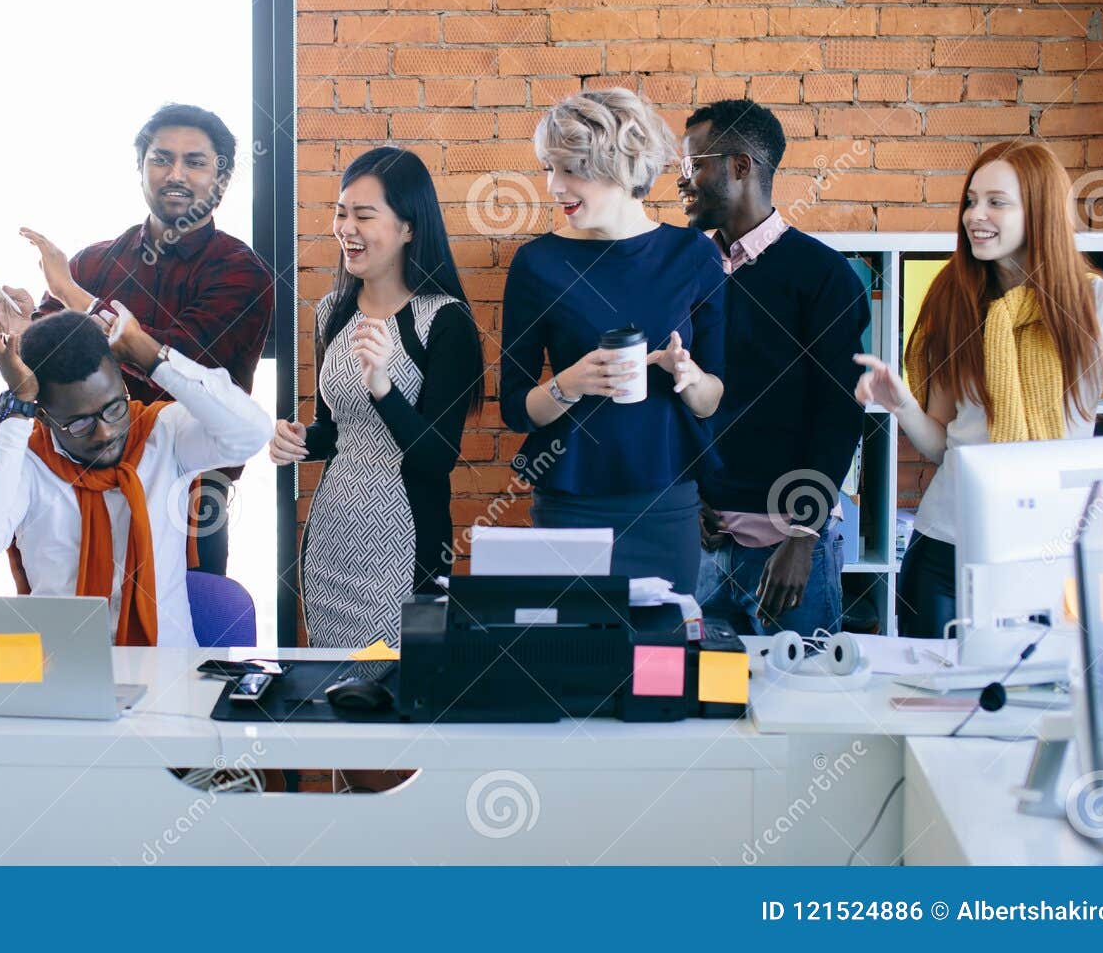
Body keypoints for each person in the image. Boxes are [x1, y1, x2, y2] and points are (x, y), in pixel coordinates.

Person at [855, 139, 1103, 638]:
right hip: (945, 553)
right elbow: (943, 447)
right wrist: (902, 403)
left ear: (1038, 211)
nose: (975, 214)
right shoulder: (952, 297)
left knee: (1037, 709)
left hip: (1049, 553)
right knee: (935, 708)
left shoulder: (1095, 303)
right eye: (971, 200)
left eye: (997, 201)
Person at [17, 103, 273, 579]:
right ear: (140, 170)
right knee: (74, 640)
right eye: (161, 159)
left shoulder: (242, 272)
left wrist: (74, 299)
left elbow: (183, 365)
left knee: (184, 640)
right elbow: (48, 369)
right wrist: (21, 333)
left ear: (221, 180)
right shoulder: (95, 262)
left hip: (188, 492)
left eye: (195, 162)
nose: (175, 173)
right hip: (76, 486)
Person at [500, 89, 725, 592]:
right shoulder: (537, 264)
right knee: (571, 662)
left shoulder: (692, 255)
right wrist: (570, 384)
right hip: (570, 504)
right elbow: (516, 409)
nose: (553, 186)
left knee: (662, 663)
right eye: (548, 169)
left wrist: (688, 377)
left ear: (620, 166)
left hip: (665, 503)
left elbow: (713, 401)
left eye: (569, 169)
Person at [0, 297, 272, 647]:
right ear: (43, 416)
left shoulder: (161, 433)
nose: (104, 432)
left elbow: (250, 432)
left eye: (113, 408)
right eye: (80, 423)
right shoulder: (25, 459)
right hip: (63, 675)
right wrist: (17, 409)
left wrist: (150, 353)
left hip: (169, 673)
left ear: (124, 387)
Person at [268, 147, 484, 649]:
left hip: (407, 544)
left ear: (409, 227)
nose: (347, 227)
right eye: (342, 213)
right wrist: (299, 439)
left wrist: (384, 387)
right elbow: (337, 430)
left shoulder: (444, 320)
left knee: (406, 692)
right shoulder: (332, 312)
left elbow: (437, 458)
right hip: (331, 539)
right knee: (337, 689)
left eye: (365, 215)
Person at [680, 100, 869, 638]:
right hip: (703, 543)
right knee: (699, 711)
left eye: (695, 165)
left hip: (789, 549)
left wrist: (803, 538)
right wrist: (686, 495)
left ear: (740, 166)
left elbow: (838, 414)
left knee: (797, 707)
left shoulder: (823, 275)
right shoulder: (685, 269)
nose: (683, 182)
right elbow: (670, 394)